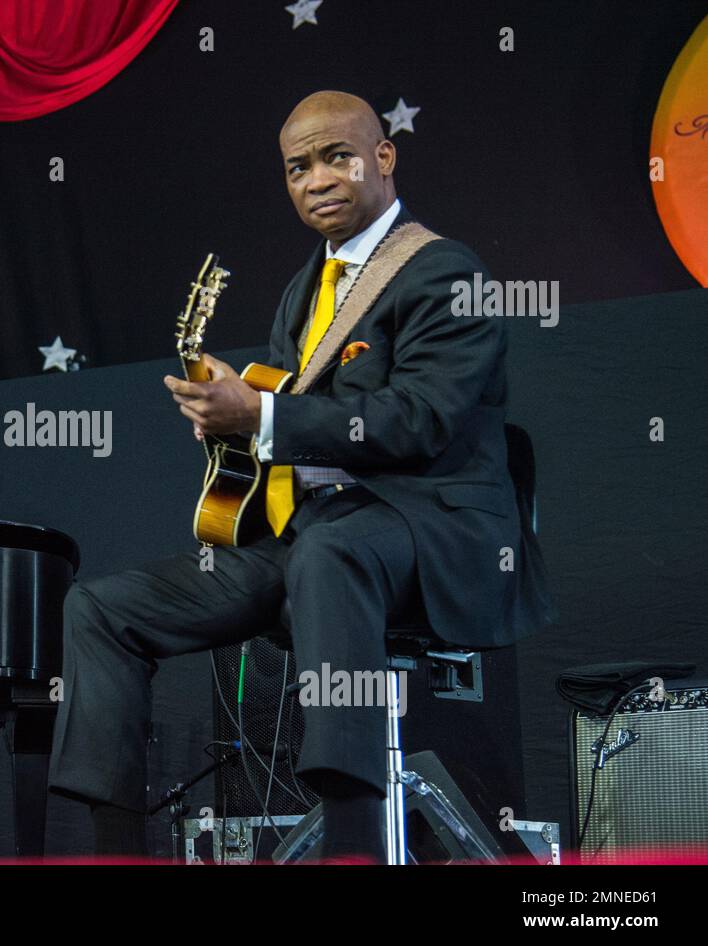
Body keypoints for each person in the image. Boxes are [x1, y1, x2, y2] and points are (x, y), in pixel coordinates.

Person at [47, 91, 555, 861]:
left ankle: (352, 838)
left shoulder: (445, 270)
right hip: (316, 535)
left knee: (331, 554)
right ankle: (116, 846)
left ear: (383, 158)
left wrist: (260, 416)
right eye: (297, 167)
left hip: (433, 532)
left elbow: (420, 419)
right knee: (100, 607)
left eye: (336, 156)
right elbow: (292, 423)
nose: (316, 178)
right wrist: (229, 411)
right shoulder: (303, 288)